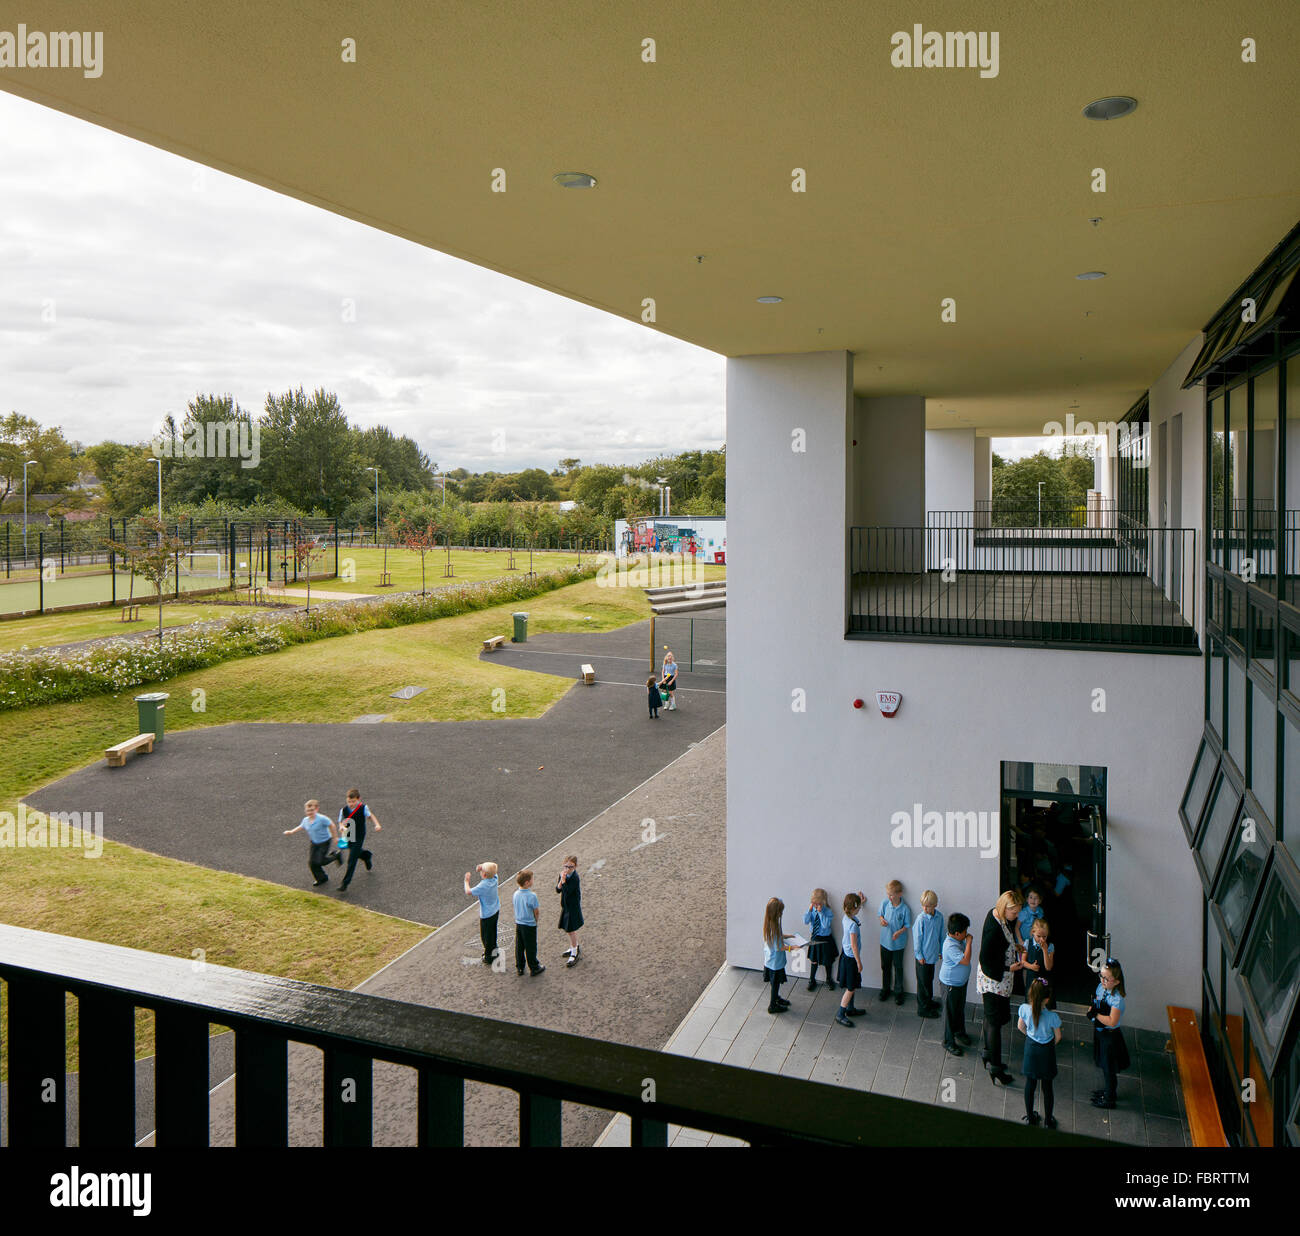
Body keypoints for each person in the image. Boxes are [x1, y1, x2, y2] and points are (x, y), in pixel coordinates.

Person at [977, 889, 1025, 1085]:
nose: (1016, 916)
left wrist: (1015, 948)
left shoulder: (995, 914)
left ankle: (988, 1054)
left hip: (998, 979)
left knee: (992, 1018)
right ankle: (995, 1067)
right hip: (993, 981)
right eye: (1014, 913)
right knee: (995, 1022)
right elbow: (985, 958)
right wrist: (1008, 967)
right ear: (1005, 909)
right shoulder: (993, 929)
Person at [1018, 977, 1063, 1128]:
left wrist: (1031, 1037)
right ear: (1047, 999)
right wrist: (1049, 1043)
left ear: (1030, 994)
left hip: (1031, 1049)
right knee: (1047, 1087)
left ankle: (1030, 1117)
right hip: (1046, 1051)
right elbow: (1058, 1037)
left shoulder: (1024, 1009)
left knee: (1030, 1084)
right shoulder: (1053, 1017)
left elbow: (1020, 1027)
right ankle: (1049, 1120)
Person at [1089, 958, 1130, 1108]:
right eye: (1101, 976)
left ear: (1117, 982)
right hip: (1100, 1032)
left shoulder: (1117, 1000)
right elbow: (1097, 1001)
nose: (1102, 980)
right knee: (1104, 1063)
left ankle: (1110, 1098)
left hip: (1110, 1036)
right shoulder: (1101, 987)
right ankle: (1108, 1091)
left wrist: (1095, 1015)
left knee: (1109, 1068)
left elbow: (1112, 1021)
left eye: (1106, 978)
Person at [282, 798, 340, 887]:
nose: (309, 812)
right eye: (307, 810)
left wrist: (335, 837)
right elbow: (301, 826)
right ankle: (321, 878)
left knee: (320, 861)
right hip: (314, 843)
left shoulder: (322, 819)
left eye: (312, 810)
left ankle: (335, 856)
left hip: (324, 842)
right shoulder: (306, 820)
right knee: (312, 863)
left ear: (317, 809)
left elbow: (332, 825)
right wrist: (291, 832)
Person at [939, 912, 974, 1056]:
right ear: (957, 933)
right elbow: (965, 960)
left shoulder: (958, 940)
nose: (967, 933)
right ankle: (948, 1041)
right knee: (949, 1013)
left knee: (959, 1009)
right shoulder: (950, 946)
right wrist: (970, 942)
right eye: (965, 931)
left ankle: (959, 1032)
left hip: (960, 983)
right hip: (950, 985)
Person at [336, 787, 382, 893]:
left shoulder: (363, 808)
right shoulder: (343, 810)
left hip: (359, 835)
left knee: (352, 859)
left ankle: (345, 883)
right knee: (355, 852)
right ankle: (366, 856)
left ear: (358, 799)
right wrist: (341, 827)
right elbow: (341, 821)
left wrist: (377, 824)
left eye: (353, 801)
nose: (351, 804)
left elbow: (371, 816)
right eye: (349, 802)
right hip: (349, 835)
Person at [835, 892, 867, 1027]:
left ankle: (850, 1008)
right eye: (859, 907)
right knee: (851, 987)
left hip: (845, 956)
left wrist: (860, 902)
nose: (860, 909)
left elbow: (854, 914)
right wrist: (859, 962)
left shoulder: (846, 918)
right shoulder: (852, 925)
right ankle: (840, 1013)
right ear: (854, 909)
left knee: (852, 984)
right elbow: (854, 945)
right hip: (851, 959)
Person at [878, 879, 911, 1005]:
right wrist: (882, 920)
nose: (889, 897)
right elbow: (880, 915)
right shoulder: (885, 903)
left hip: (898, 944)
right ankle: (885, 989)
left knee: (898, 967)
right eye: (888, 894)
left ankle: (898, 992)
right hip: (885, 942)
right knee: (885, 966)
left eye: (892, 895)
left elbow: (907, 925)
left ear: (899, 894)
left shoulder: (905, 909)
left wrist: (899, 932)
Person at [912, 889, 943, 1019]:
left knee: (929, 980)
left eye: (928, 906)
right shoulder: (921, 919)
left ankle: (928, 1001)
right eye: (923, 905)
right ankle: (923, 1008)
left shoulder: (939, 917)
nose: (925, 908)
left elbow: (942, 934)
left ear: (935, 905)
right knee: (923, 983)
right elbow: (917, 938)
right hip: (923, 958)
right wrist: (919, 955)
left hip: (932, 956)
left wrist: (941, 950)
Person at [762, 897, 797, 1014]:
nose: (782, 914)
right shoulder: (774, 927)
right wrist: (793, 948)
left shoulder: (770, 924)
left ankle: (776, 998)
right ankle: (773, 1005)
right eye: (780, 911)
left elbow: (778, 938)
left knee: (774, 984)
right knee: (775, 984)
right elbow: (779, 947)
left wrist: (788, 936)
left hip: (770, 961)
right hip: (775, 963)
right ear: (776, 912)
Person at [464, 861, 500, 965]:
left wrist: (466, 881)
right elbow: (492, 871)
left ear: (484, 874)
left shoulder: (483, 885)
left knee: (486, 936)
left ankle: (489, 956)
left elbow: (468, 892)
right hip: (495, 910)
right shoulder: (494, 878)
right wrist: (482, 868)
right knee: (493, 932)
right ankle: (494, 950)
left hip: (487, 914)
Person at [803, 888, 837, 992]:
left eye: (817, 903)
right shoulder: (811, 910)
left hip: (825, 938)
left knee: (827, 960)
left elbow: (826, 925)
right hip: (815, 937)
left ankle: (828, 979)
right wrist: (809, 910)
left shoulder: (828, 911)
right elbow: (805, 921)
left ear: (823, 901)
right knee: (814, 960)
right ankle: (812, 980)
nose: (815, 905)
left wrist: (821, 913)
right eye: (813, 902)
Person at [513, 870, 545, 976]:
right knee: (531, 947)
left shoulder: (516, 894)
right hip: (529, 924)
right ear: (527, 882)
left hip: (519, 923)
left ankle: (520, 967)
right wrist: (536, 920)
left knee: (519, 946)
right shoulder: (532, 896)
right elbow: (536, 911)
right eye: (532, 879)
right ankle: (534, 967)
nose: (533, 880)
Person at [556, 854, 584, 966]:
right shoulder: (563, 875)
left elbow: (567, 891)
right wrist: (560, 881)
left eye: (570, 867)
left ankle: (574, 951)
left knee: (570, 930)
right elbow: (558, 890)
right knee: (568, 929)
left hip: (572, 907)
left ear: (575, 867)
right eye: (566, 866)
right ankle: (574, 946)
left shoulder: (575, 878)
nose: (567, 869)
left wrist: (563, 881)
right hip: (566, 906)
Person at [1021, 918, 1055, 999]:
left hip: (1044, 980)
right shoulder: (1027, 943)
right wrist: (1031, 966)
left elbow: (1048, 967)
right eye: (1039, 936)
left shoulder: (1050, 946)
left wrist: (1045, 950)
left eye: (1044, 936)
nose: (1042, 939)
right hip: (1031, 980)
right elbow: (1023, 962)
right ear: (1033, 932)